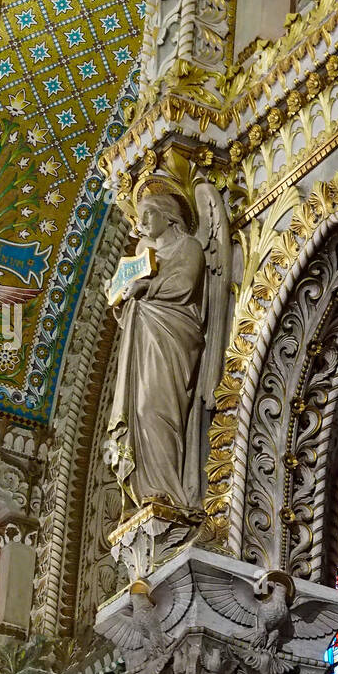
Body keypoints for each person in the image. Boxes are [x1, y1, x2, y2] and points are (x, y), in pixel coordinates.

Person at [106, 193, 206, 511]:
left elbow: (186, 284)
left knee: (156, 407)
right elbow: (127, 310)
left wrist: (148, 288)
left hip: (173, 335)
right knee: (140, 409)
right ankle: (150, 491)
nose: (142, 222)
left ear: (169, 217)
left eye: (148, 214)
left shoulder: (188, 247)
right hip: (144, 338)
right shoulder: (143, 256)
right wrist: (123, 296)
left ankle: (167, 490)